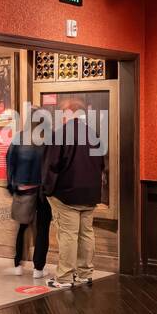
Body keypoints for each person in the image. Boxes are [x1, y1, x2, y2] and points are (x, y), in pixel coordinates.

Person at [42, 98, 104, 289]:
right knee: (86, 233)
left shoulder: (60, 135)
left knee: (68, 234)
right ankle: (85, 273)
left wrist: (47, 191)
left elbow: (51, 167)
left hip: (66, 194)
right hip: (90, 195)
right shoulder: (94, 135)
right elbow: (101, 165)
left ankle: (65, 277)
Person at [5, 108, 52, 280]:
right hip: (43, 193)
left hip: (23, 190)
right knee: (42, 230)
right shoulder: (49, 138)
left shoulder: (19, 138)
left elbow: (9, 161)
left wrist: (12, 186)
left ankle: (18, 264)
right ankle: (38, 269)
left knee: (22, 227)